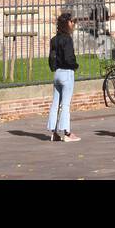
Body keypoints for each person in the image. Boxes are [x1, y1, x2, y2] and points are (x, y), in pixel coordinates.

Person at [46, 12, 80, 143]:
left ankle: (54, 132)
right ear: (67, 23)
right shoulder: (67, 39)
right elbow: (69, 57)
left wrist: (54, 67)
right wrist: (74, 65)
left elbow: (51, 57)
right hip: (66, 72)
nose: (73, 24)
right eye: (71, 22)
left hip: (57, 73)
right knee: (65, 104)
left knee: (55, 104)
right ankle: (67, 132)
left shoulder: (54, 39)